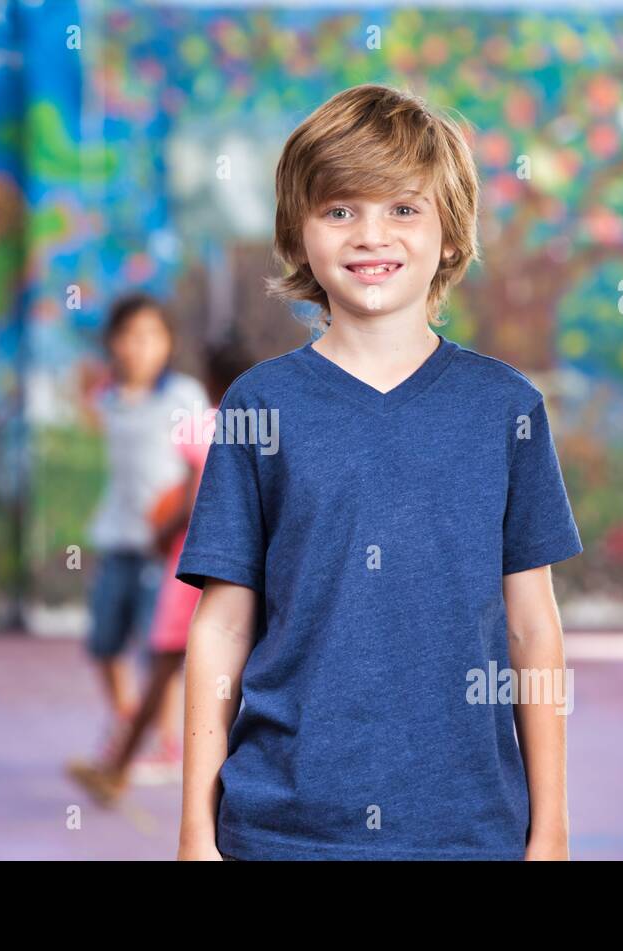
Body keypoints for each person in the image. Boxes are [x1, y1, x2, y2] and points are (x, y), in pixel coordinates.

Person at [173, 84, 583, 861]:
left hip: (468, 831)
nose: (371, 235)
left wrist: (551, 829)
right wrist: (196, 828)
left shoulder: (507, 409)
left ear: (449, 233)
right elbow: (223, 626)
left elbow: (534, 628)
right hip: (282, 830)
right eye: (339, 210)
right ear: (298, 233)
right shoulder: (259, 406)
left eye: (403, 208)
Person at [66, 339, 255, 805]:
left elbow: (192, 501)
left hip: (191, 569)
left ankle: (119, 769)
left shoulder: (204, 426)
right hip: (239, 571)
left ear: (210, 381)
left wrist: (160, 532)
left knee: (162, 671)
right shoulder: (255, 427)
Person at [78, 292, 207, 771]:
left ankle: (163, 742)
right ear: (114, 343)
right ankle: (128, 721)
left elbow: (201, 466)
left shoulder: (183, 397)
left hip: (167, 549)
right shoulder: (108, 398)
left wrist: (181, 519)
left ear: (168, 343)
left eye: (153, 336)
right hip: (118, 541)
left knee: (162, 651)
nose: (141, 346)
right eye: (130, 336)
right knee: (104, 642)